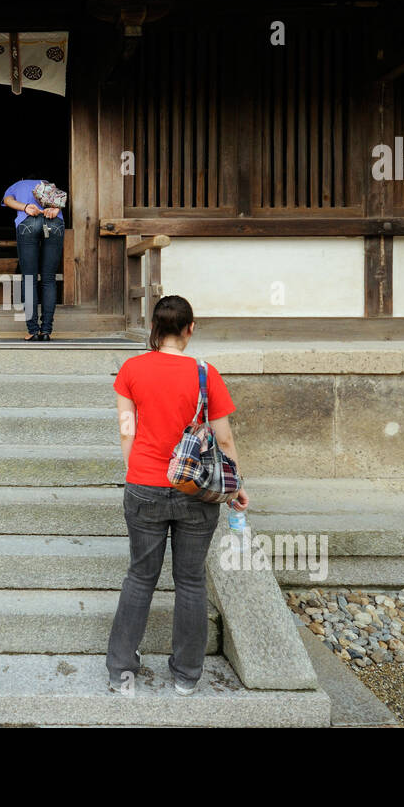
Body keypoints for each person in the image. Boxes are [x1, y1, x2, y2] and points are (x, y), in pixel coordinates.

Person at [106, 295, 251, 696]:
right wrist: (236, 486)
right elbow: (223, 437)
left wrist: (136, 472)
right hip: (196, 491)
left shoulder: (131, 370)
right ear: (190, 328)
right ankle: (186, 676)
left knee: (140, 576)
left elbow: (125, 428)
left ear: (154, 326)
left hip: (144, 486)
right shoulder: (206, 374)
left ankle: (121, 671)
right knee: (190, 581)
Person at [0, 178, 64, 341]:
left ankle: (33, 331)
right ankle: (47, 331)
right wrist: (55, 208)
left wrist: (25, 207)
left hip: (28, 223)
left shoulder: (16, 185)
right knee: (49, 279)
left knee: (29, 279)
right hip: (54, 222)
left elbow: (7, 200)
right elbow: (60, 199)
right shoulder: (49, 183)